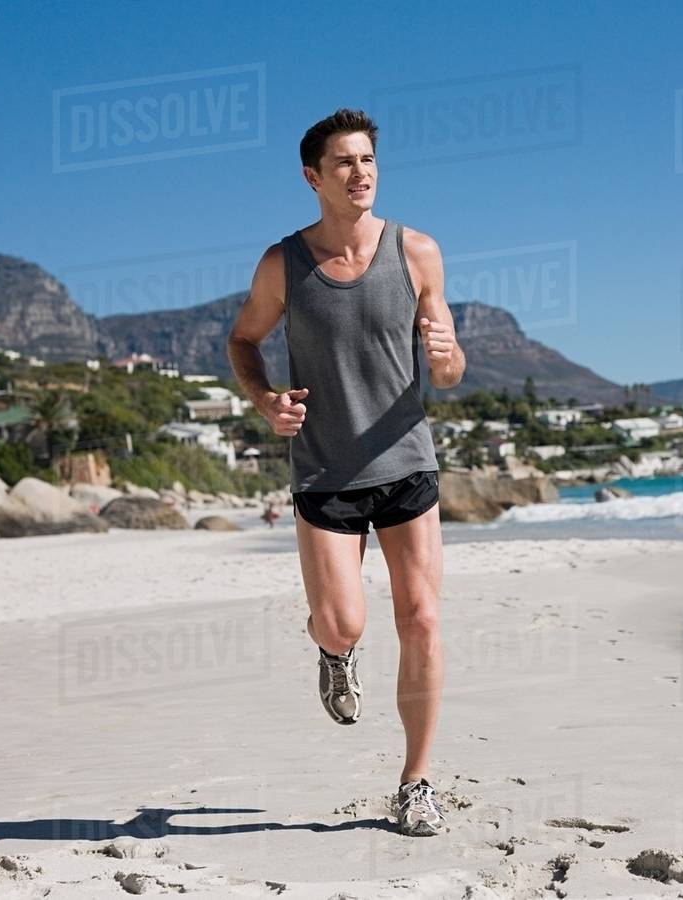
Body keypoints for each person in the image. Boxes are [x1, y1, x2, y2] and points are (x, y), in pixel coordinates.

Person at [225, 109, 465, 837]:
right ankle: (334, 654)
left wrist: (448, 350)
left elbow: (448, 373)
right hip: (324, 468)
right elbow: (243, 339)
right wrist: (265, 399)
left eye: (368, 161)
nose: (361, 173)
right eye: (344, 164)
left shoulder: (416, 251)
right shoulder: (282, 264)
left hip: (405, 462)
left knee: (421, 619)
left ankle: (416, 782)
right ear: (312, 178)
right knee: (342, 619)